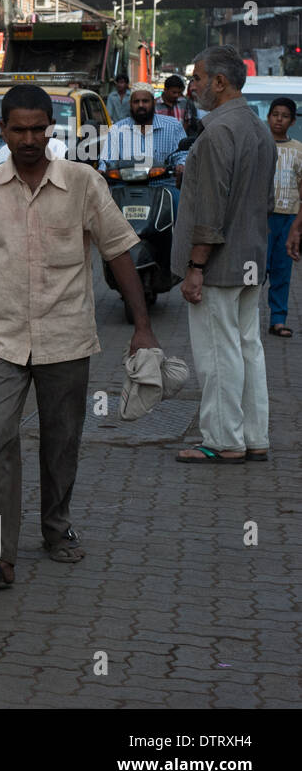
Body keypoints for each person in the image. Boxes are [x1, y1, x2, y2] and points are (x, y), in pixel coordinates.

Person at [0, 84, 159, 588]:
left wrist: (143, 325)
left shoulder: (84, 183)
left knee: (61, 440)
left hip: (66, 334)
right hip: (1, 336)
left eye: (37, 129)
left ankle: (55, 526)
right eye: (18, 129)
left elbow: (117, 252)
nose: (28, 138)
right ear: (3, 130)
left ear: (51, 129)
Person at [171, 46, 275, 464]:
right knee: (247, 347)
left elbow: (211, 212)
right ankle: (254, 437)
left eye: (196, 78)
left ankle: (222, 439)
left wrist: (196, 267)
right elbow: (261, 200)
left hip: (218, 265)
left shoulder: (217, 132)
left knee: (219, 352)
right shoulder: (258, 128)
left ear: (219, 82)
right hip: (250, 259)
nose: (191, 87)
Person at [98, 86, 187, 206]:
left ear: (153, 102)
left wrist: (181, 165)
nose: (141, 105)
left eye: (145, 101)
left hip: (163, 188)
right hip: (124, 189)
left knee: (180, 207)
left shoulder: (173, 126)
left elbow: (182, 154)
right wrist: (101, 171)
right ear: (130, 104)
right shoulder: (117, 129)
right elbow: (107, 160)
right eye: (136, 102)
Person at [264, 97, 302, 337]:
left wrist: (297, 226)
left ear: (292, 120)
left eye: (284, 116)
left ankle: (278, 319)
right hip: (261, 219)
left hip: (288, 219)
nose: (279, 119)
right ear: (268, 117)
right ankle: (243, 321)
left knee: (282, 271)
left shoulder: (298, 150)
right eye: (275, 114)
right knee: (255, 272)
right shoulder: (259, 145)